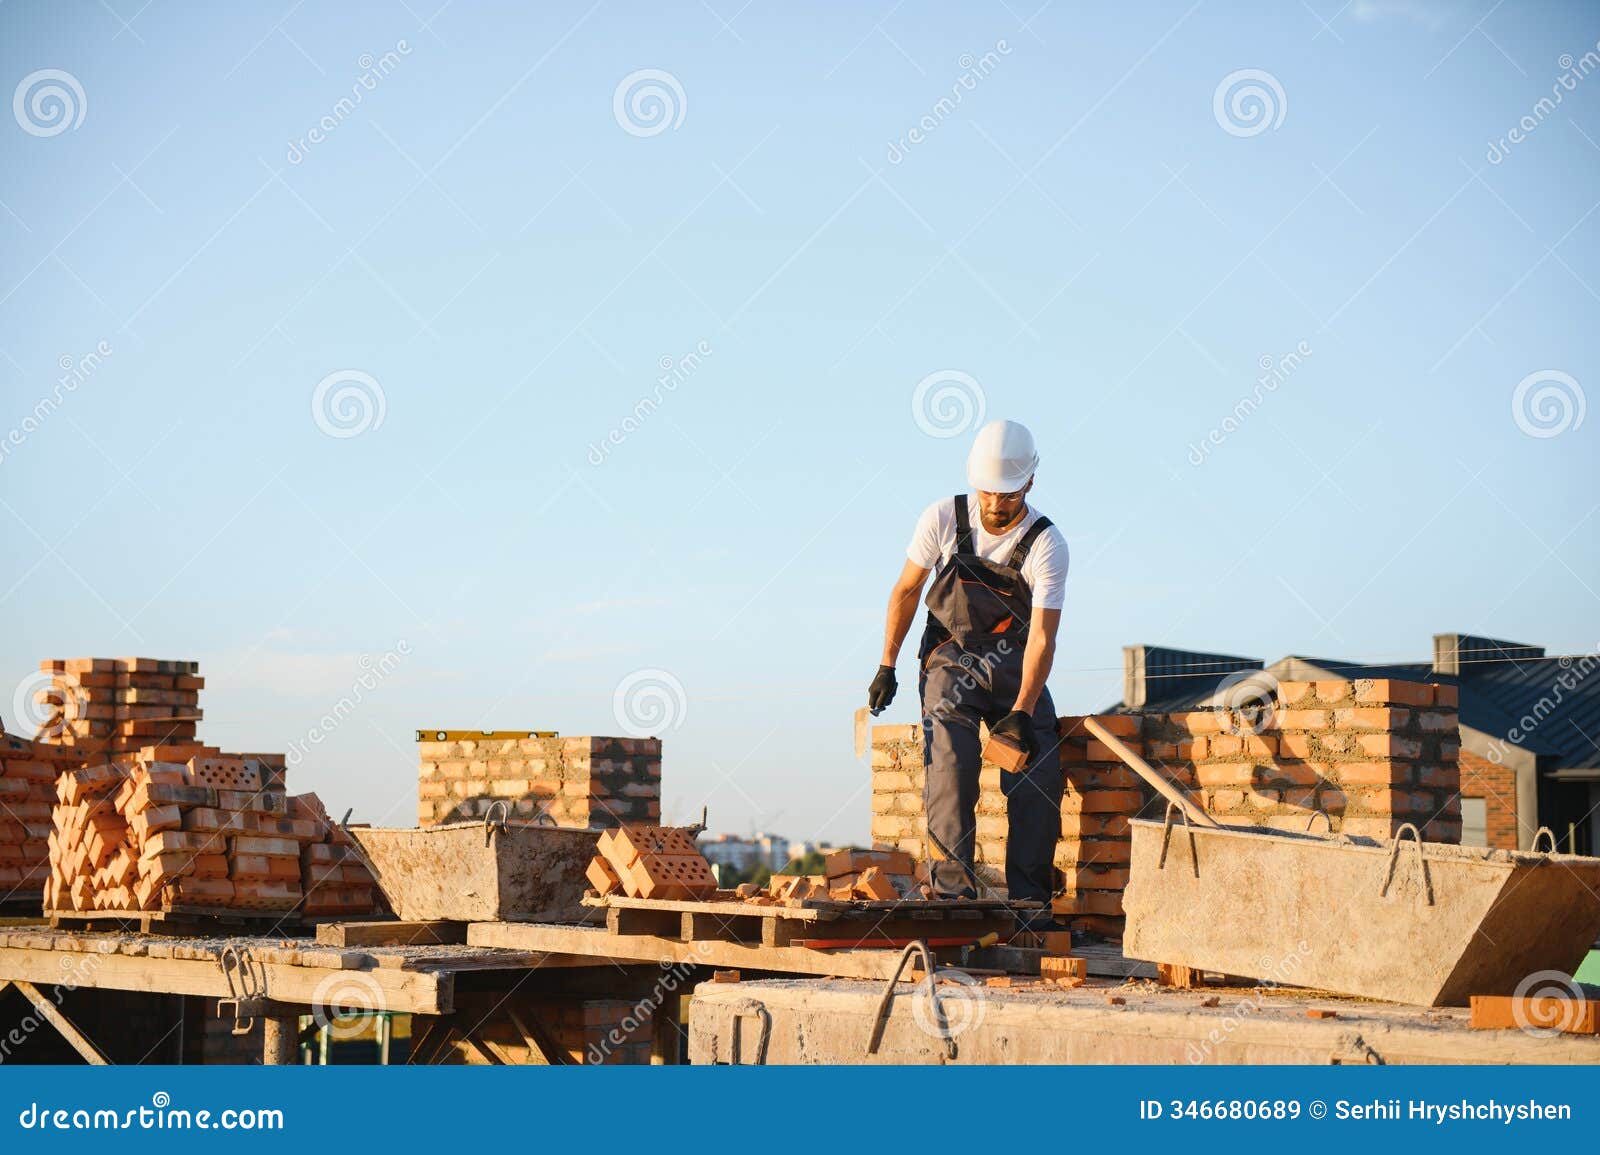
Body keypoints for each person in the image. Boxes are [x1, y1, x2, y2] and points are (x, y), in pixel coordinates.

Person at [867, 419, 1068, 926]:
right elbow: (906, 592)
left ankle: (1029, 910)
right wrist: (886, 664)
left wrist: (1022, 712)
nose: (996, 504)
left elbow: (1042, 637)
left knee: (1037, 779)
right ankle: (954, 903)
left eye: (1007, 494)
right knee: (951, 772)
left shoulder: (1047, 544)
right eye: (988, 492)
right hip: (951, 663)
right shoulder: (942, 517)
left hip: (1016, 667)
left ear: (1029, 483)